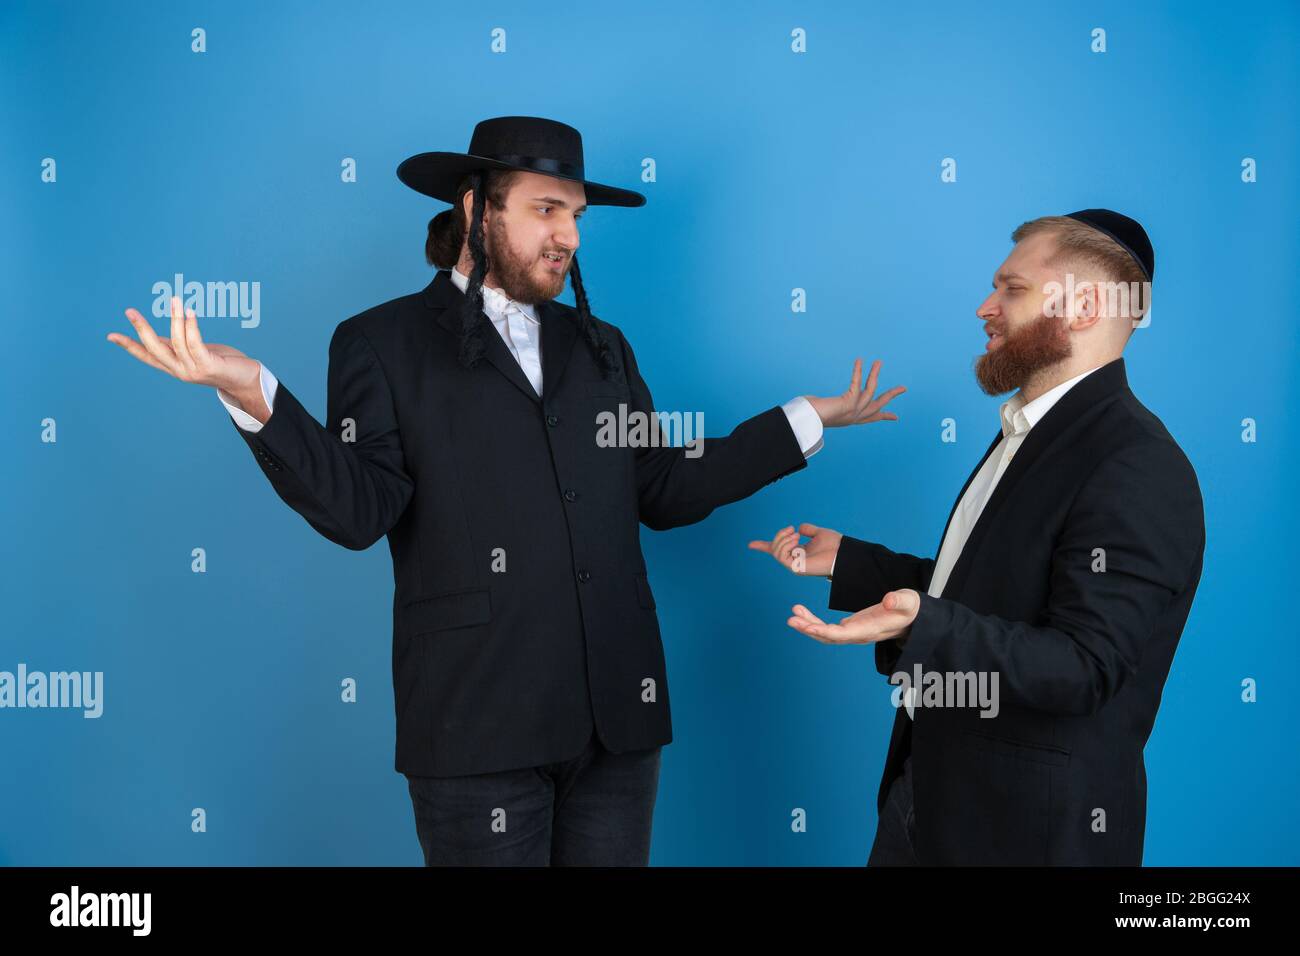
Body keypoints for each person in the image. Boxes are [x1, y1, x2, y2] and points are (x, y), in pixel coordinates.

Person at [107, 115, 906, 866]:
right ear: (475, 209)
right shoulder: (378, 343)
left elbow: (660, 487)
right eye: (547, 210)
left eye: (578, 215)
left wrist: (808, 418)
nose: (569, 236)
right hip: (475, 724)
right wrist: (255, 394)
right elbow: (361, 510)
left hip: (618, 723)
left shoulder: (602, 347)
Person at [750, 210, 1205, 865]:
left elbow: (1084, 666)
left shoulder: (1137, 464)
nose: (984, 307)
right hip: (928, 799)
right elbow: (1002, 590)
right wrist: (855, 565)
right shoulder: (1032, 430)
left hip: (1021, 837)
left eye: (1011, 289)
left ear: (1083, 306)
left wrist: (921, 624)